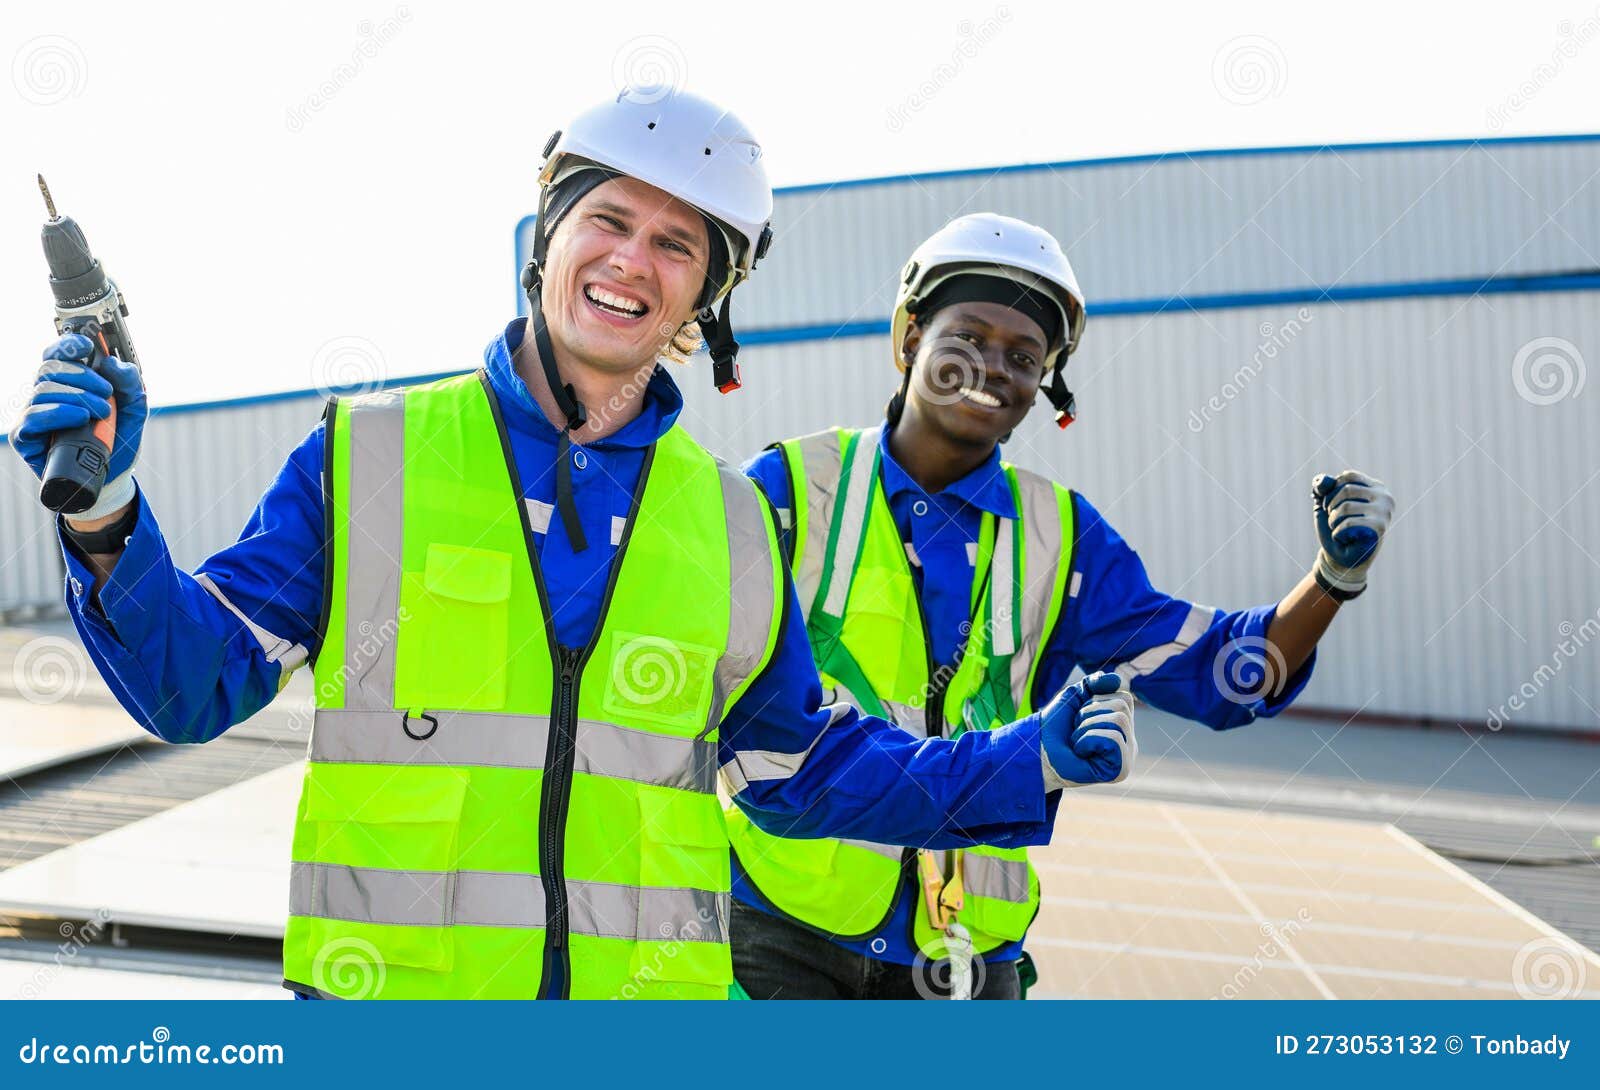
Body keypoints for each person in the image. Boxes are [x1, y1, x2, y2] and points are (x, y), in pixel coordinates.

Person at [9, 96, 1138, 1001]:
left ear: (708, 293)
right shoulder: (370, 456)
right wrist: (105, 516)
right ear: (550, 234)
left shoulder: (731, 518)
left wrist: (1020, 758)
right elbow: (194, 684)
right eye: (608, 221)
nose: (632, 263)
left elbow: (806, 774)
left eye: (676, 244)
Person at [731, 212, 1395, 1000]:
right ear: (909, 336)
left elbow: (1226, 677)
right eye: (968, 336)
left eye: (1024, 355)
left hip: (963, 958)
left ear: (1046, 380)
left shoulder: (1066, 537)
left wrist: (1330, 581)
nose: (992, 367)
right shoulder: (785, 494)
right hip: (779, 932)